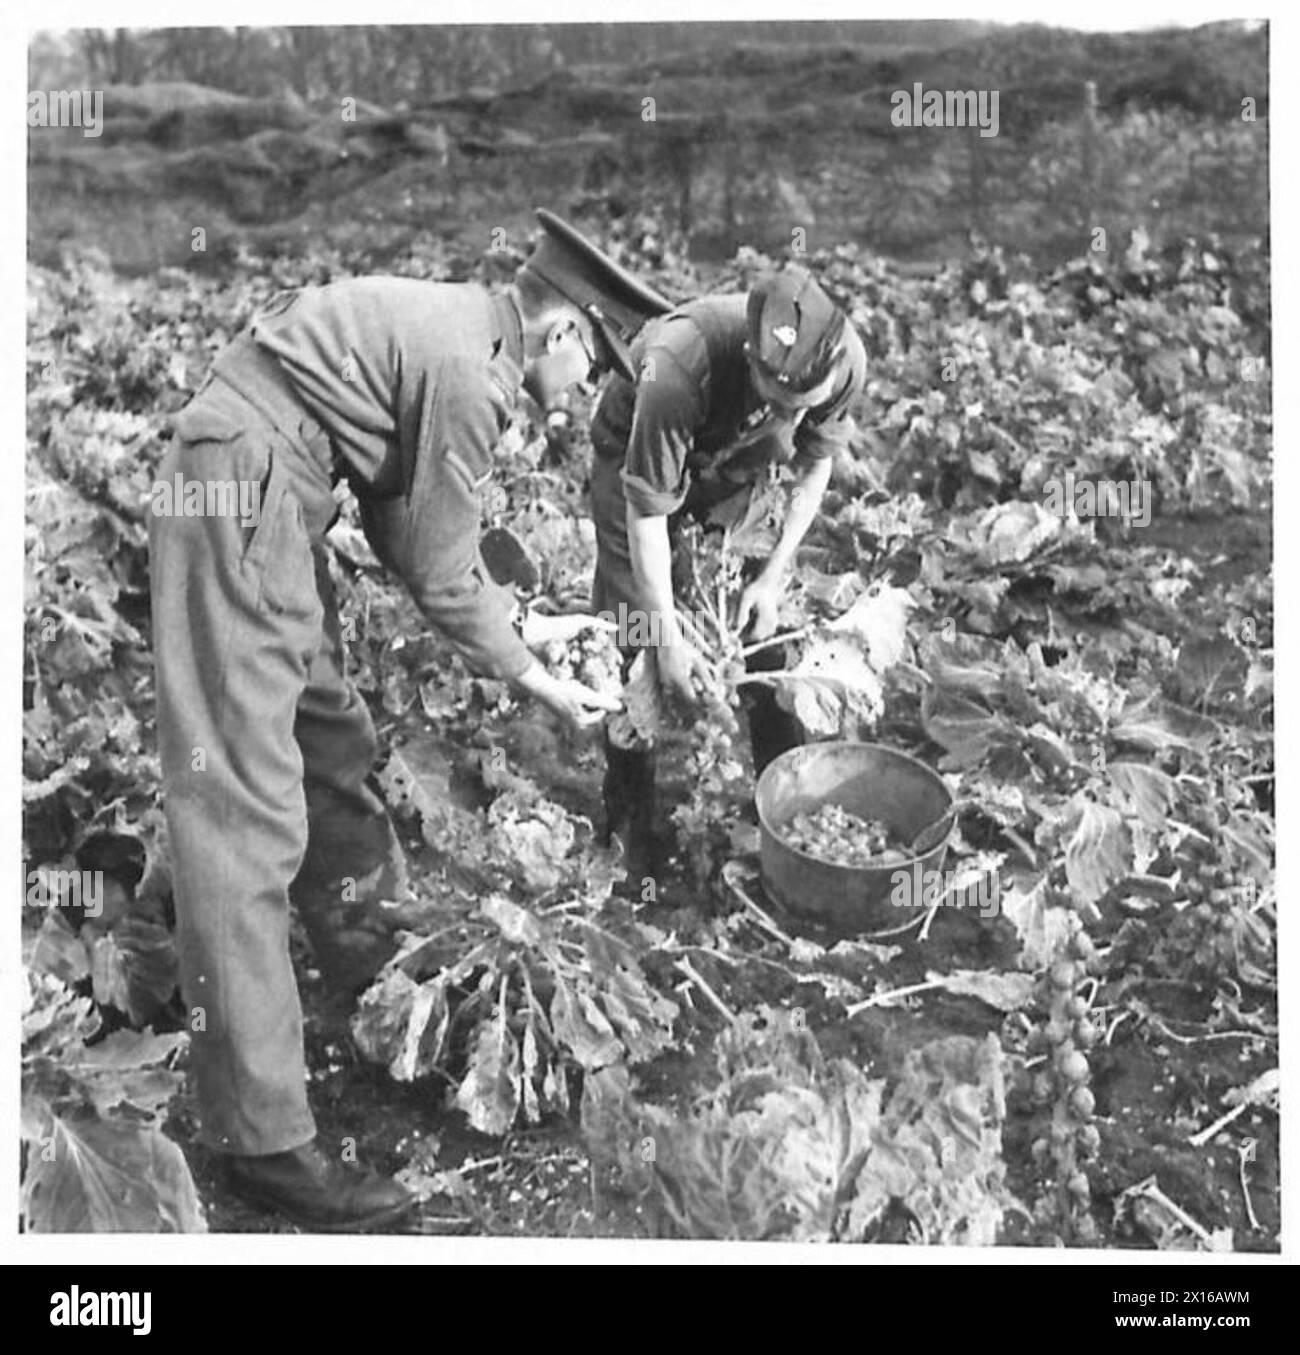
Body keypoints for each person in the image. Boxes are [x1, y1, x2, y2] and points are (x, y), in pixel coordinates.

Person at [148, 209, 671, 1231]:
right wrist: (536, 677)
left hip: (269, 486)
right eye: (592, 374)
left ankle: (371, 984)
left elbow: (409, 524)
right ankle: (261, 1142)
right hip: (242, 487)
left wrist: (527, 622)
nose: (577, 405)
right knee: (239, 809)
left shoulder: (460, 334)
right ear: (565, 334)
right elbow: (436, 564)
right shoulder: (476, 373)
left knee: (325, 740)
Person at [588, 266, 867, 870]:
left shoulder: (844, 360)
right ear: (749, 359)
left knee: (757, 619)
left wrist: (773, 574)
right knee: (629, 627)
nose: (794, 422)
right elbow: (646, 517)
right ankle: (630, 825)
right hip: (636, 455)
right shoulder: (678, 366)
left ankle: (784, 798)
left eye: (805, 409)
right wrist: (664, 635)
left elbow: (814, 466)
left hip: (737, 458)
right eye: (779, 404)